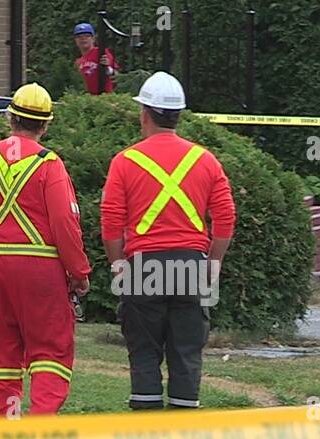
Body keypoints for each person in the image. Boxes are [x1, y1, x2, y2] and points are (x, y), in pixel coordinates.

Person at [100, 72, 237, 411]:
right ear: (179, 116)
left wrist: (119, 265)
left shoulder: (125, 161)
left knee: (144, 349)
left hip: (143, 265)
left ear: (144, 113)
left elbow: (111, 222)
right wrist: (213, 263)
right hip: (191, 265)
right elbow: (225, 218)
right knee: (187, 350)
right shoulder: (205, 160)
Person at [0, 83, 91, 417]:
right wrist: (78, 273)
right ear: (45, 125)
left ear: (10, 118)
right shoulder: (50, 164)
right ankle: (39, 423)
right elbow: (64, 224)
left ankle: (5, 426)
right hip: (41, 269)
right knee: (50, 349)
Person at [73, 22, 117, 95]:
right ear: (75, 40)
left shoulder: (101, 52)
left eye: (87, 36)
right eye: (79, 36)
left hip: (104, 97)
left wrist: (107, 68)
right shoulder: (78, 62)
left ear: (93, 38)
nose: (83, 39)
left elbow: (115, 75)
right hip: (86, 100)